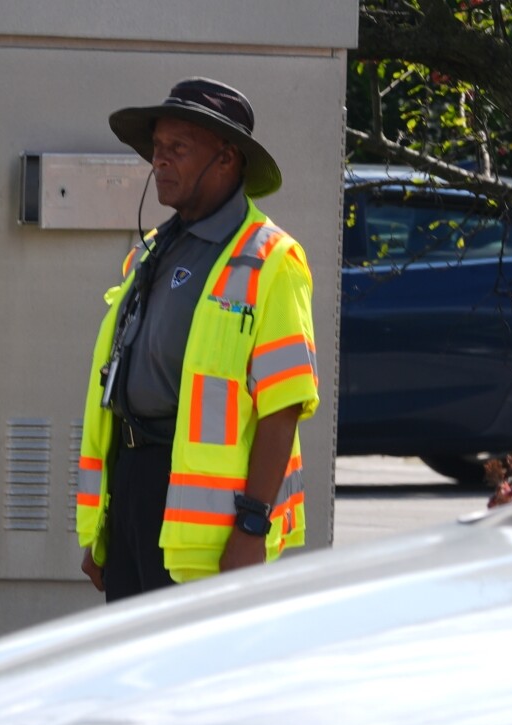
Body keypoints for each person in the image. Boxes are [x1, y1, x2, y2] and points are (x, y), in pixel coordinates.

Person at [75, 77, 320, 601]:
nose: (159, 162)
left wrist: (252, 528)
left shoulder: (273, 259)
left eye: (177, 149)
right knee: (134, 671)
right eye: (157, 150)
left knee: (193, 679)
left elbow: (284, 407)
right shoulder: (153, 251)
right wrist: (106, 529)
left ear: (227, 159)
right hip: (135, 489)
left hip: (210, 529)